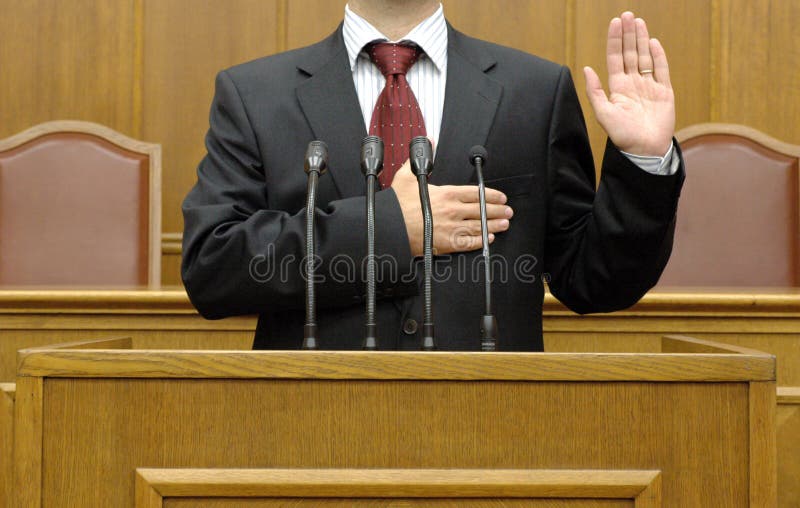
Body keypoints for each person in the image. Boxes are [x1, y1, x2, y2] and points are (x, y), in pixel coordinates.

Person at [181, 1, 684, 351]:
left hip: (493, 428)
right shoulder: (253, 94)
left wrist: (644, 161)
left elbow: (594, 282)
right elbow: (213, 267)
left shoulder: (535, 89)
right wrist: (392, 230)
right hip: (313, 425)